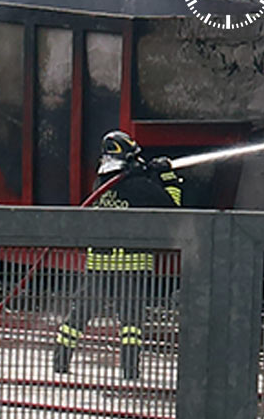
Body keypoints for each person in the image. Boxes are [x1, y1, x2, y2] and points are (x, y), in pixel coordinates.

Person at [53, 131, 183, 380]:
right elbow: (172, 208)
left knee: (78, 316)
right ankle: (130, 372)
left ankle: (59, 363)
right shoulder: (138, 187)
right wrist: (167, 177)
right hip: (130, 269)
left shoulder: (100, 185)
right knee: (131, 324)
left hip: (97, 268)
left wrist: (145, 173)